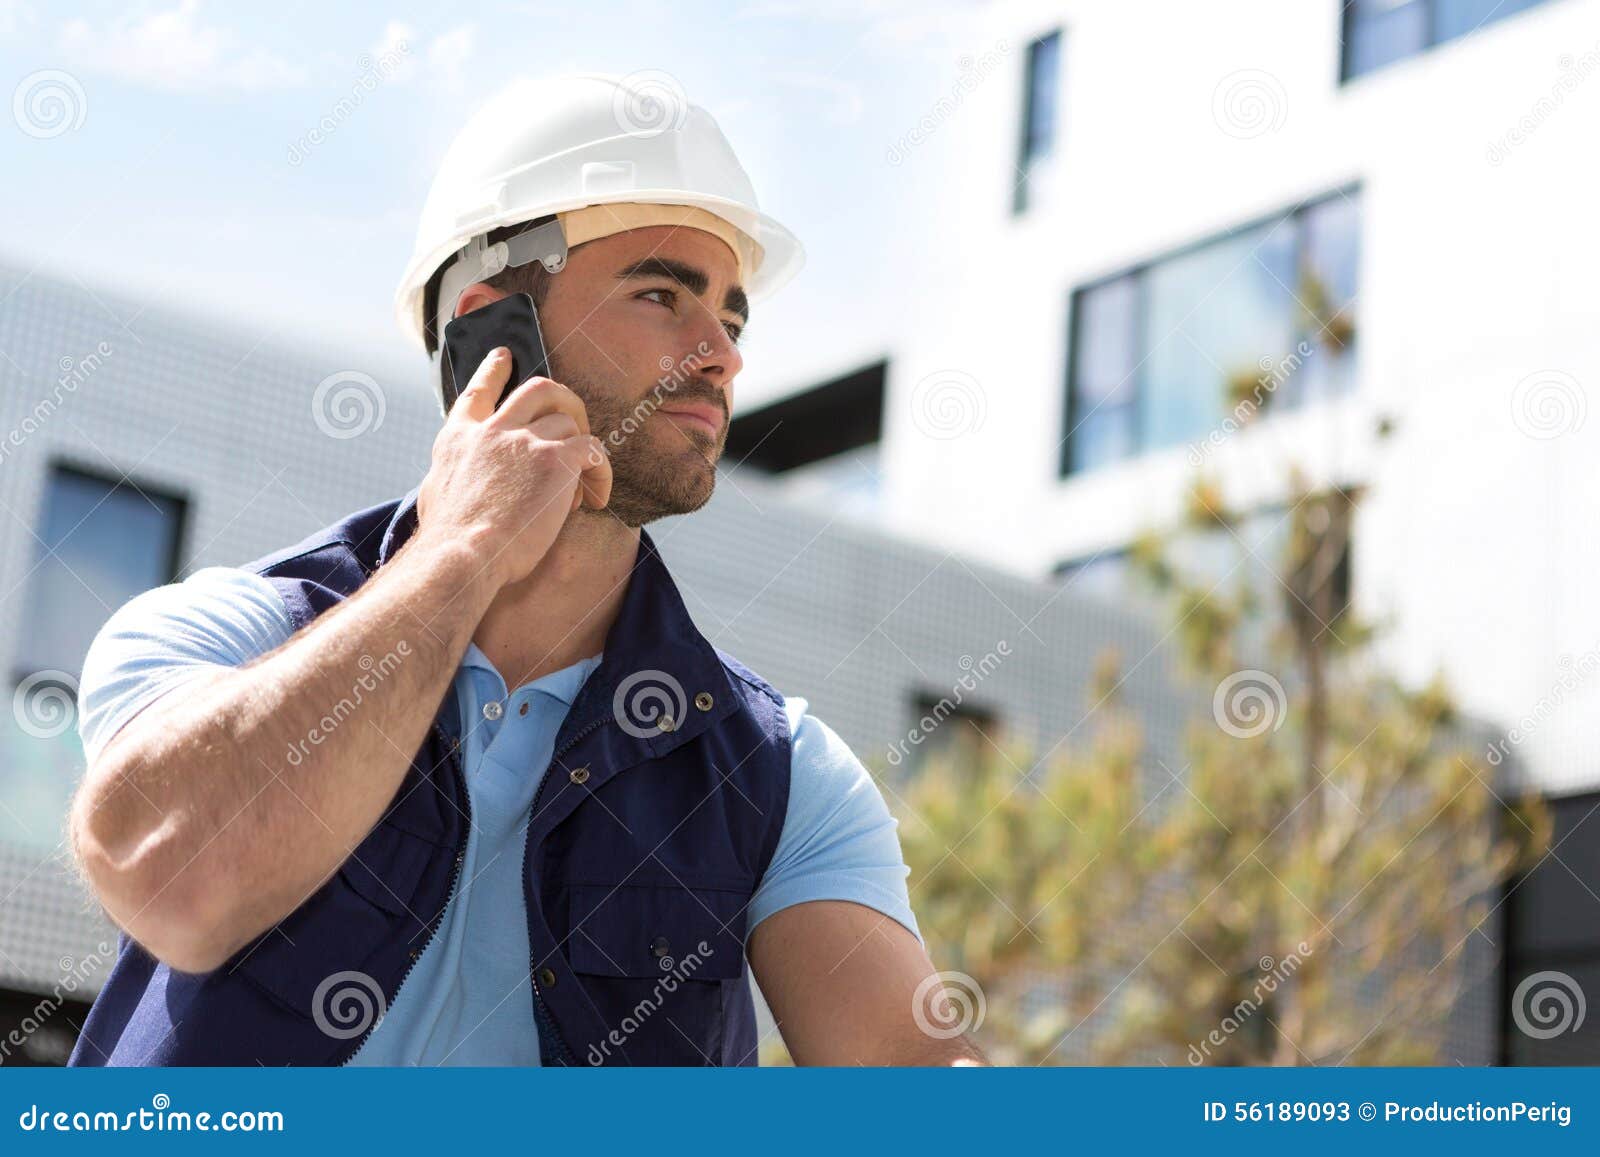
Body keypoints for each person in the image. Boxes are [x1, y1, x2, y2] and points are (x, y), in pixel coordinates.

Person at [65, 72, 985, 1067]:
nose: (722, 353)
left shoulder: (779, 772)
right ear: (491, 330)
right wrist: (466, 547)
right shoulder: (223, 635)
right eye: (662, 294)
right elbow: (174, 882)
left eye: (732, 316)